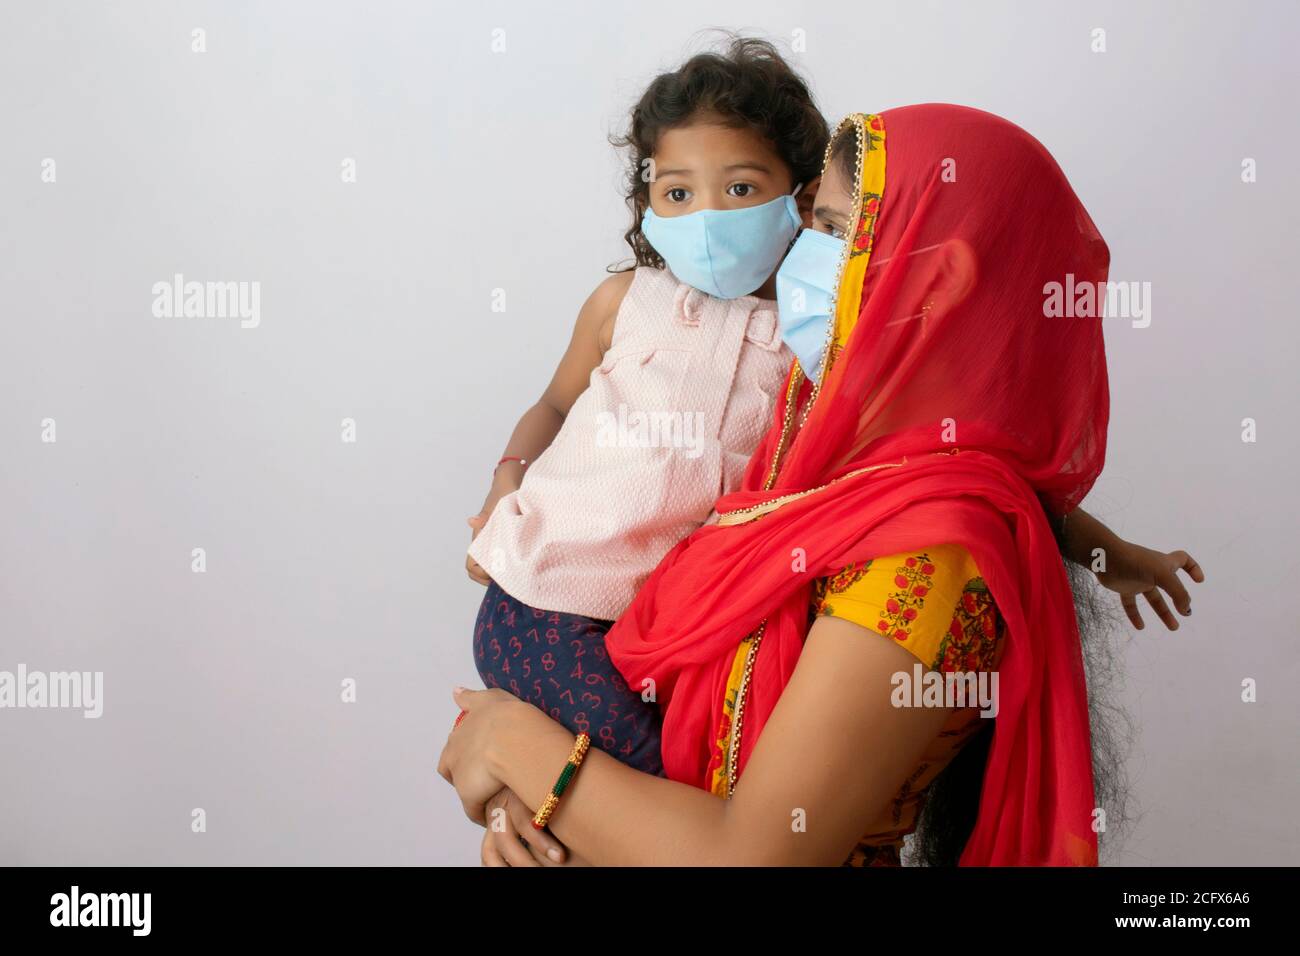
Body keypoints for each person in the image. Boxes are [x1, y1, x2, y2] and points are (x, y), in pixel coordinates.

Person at [441, 104, 1205, 866]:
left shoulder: (933, 550)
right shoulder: (805, 452)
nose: (801, 251)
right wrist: (533, 804)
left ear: (937, 278)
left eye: (836, 231)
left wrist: (510, 744)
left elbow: (752, 856)